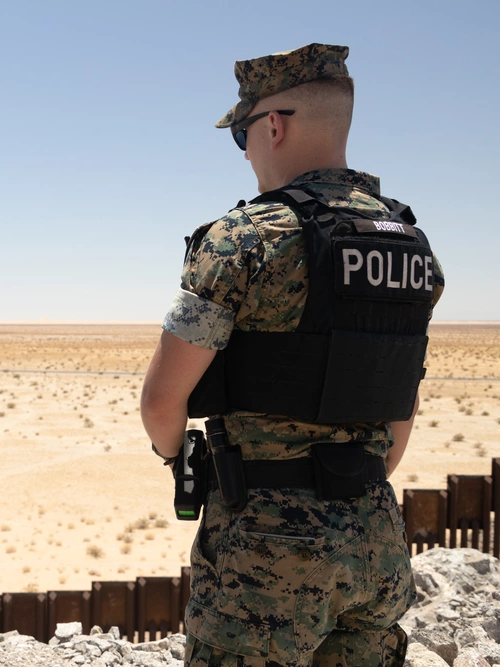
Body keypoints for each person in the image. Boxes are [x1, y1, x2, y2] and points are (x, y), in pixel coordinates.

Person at [140, 44, 444, 666]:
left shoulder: (244, 238)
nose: (246, 152)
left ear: (273, 125)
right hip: (378, 538)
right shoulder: (411, 243)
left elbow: (162, 401)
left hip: (266, 551)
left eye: (242, 135)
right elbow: (400, 405)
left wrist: (180, 459)